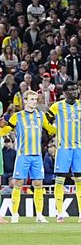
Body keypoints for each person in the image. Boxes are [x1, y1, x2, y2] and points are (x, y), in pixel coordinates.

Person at [0, 91, 54, 223]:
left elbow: (50, 128)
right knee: (18, 184)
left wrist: (63, 132)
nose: (34, 101)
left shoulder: (41, 115)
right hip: (23, 155)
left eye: (35, 99)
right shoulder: (17, 116)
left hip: (37, 156)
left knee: (38, 184)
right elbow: (6, 129)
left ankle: (40, 215)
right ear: (25, 101)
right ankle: (14, 214)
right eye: (31, 99)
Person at [47, 81, 81, 223]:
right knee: (60, 181)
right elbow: (45, 121)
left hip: (78, 149)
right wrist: (55, 132)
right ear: (65, 92)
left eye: (76, 89)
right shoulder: (57, 106)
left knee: (80, 181)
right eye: (71, 90)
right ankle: (60, 213)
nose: (75, 92)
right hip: (63, 149)